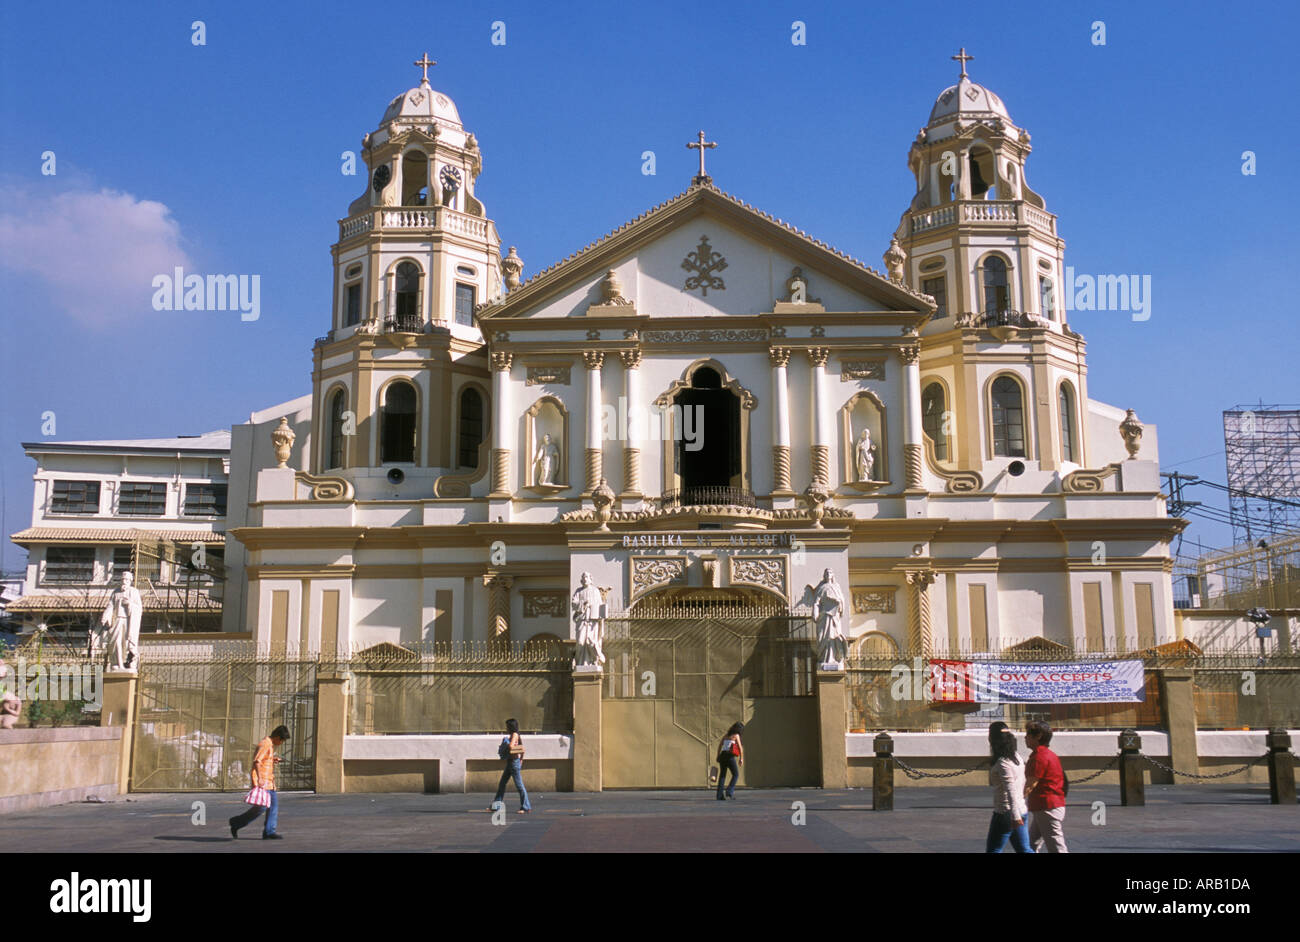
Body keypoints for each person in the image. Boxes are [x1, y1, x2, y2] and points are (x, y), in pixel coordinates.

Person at [229, 725, 290, 840]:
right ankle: (237, 822)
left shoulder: (270, 745)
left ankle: (269, 831)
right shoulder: (265, 744)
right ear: (277, 737)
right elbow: (257, 761)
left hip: (269, 782)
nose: (281, 743)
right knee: (261, 807)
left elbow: (264, 759)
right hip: (263, 782)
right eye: (282, 740)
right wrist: (260, 778)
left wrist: (273, 759)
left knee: (273, 806)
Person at [1024, 720, 1068, 853]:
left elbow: (1030, 785)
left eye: (1028, 734)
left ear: (1038, 737)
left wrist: (1015, 801)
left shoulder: (1039, 757)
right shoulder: (1049, 755)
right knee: (1031, 843)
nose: (1025, 737)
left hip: (1046, 806)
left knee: (1056, 847)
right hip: (1049, 805)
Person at [986, 729, 1033, 853]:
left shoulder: (1003, 763)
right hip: (1021, 809)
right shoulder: (1016, 758)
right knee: (1024, 849)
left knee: (994, 849)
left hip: (1006, 812)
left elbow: (1010, 789)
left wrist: (1015, 816)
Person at [491, 718, 531, 814]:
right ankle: (496, 805)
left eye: (507, 726)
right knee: (502, 784)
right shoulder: (515, 735)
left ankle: (526, 807)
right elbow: (522, 749)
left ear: (510, 727)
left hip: (513, 763)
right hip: (511, 762)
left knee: (519, 785)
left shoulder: (514, 735)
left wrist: (506, 741)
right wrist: (521, 759)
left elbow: (511, 747)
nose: (506, 728)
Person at [715, 722, 744, 800]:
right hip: (729, 756)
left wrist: (718, 756)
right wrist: (741, 759)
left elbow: (720, 745)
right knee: (736, 774)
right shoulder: (736, 735)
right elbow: (740, 748)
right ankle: (729, 791)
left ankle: (719, 795)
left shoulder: (726, 735)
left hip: (723, 755)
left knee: (722, 776)